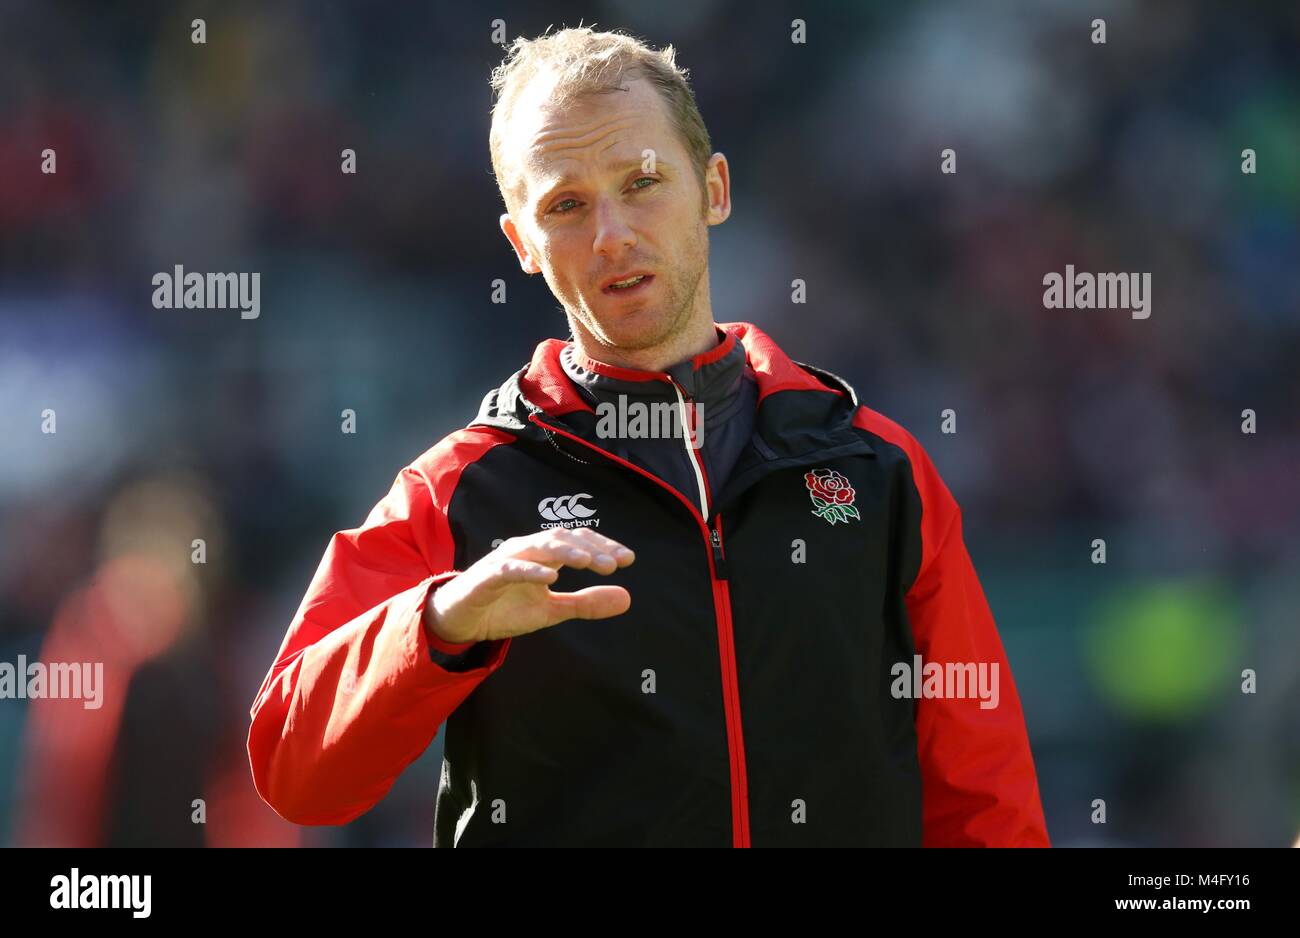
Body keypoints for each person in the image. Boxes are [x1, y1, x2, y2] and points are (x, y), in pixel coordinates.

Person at [247, 26, 1050, 847]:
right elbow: (293, 772)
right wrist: (441, 624)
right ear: (520, 243)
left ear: (714, 189)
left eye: (643, 181)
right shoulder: (458, 489)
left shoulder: (877, 469)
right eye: (566, 204)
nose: (612, 235)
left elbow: (987, 803)